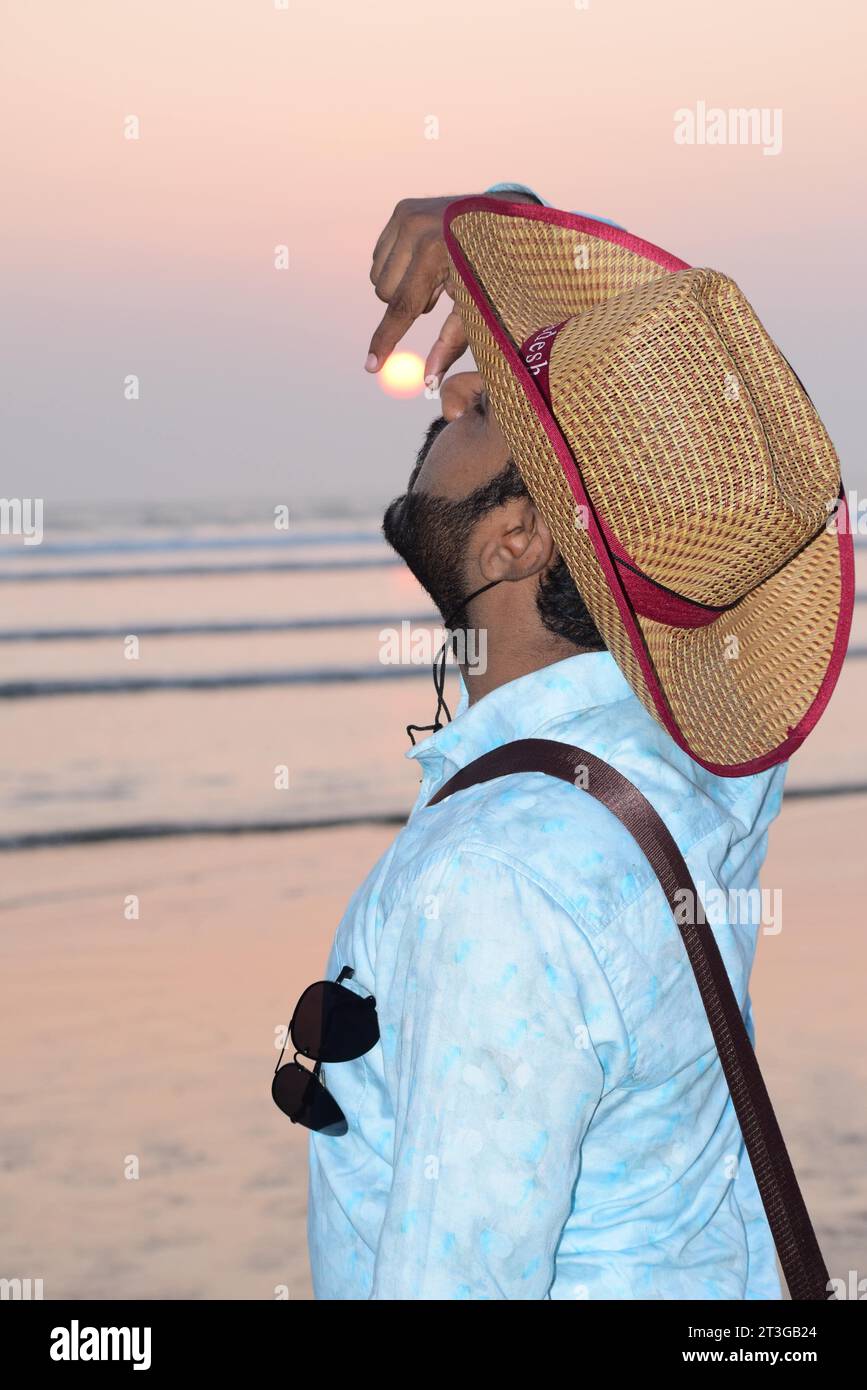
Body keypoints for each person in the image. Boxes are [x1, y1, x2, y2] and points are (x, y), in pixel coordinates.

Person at [303, 184, 850, 1299]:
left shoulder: (496, 883)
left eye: (490, 405)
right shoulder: (700, 754)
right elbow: (693, 427)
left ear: (517, 537)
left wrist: (504, 218)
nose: (454, 383)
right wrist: (507, 224)